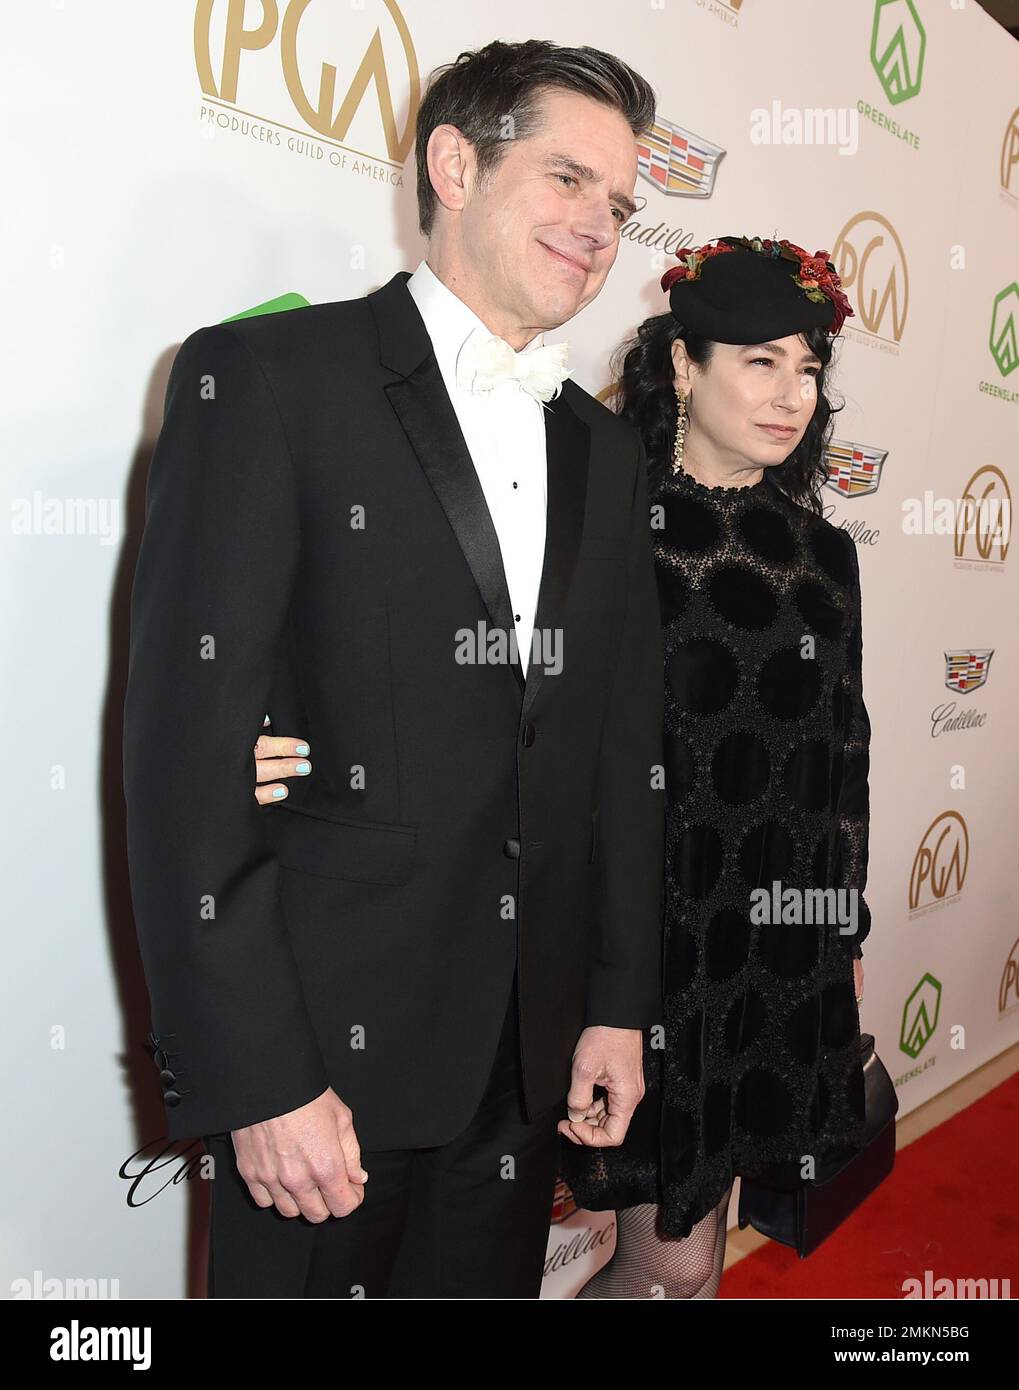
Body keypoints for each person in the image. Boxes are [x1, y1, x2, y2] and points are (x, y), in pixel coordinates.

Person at [122, 40, 666, 1299]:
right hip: (323, 1065)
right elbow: (185, 761)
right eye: (568, 181)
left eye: (620, 206)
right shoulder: (268, 381)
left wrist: (612, 1004)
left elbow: (615, 749)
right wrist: (260, 1075)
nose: (599, 228)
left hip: (522, 1070)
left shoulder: (603, 450)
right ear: (454, 163)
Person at [557, 234, 872, 1297]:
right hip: (653, 944)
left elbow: (845, 753)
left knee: (698, 1268)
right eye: (759, 360)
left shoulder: (823, 554)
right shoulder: (615, 528)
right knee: (671, 1265)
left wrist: (842, 931)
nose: (792, 395)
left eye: (808, 367)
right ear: (683, 365)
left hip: (776, 950)